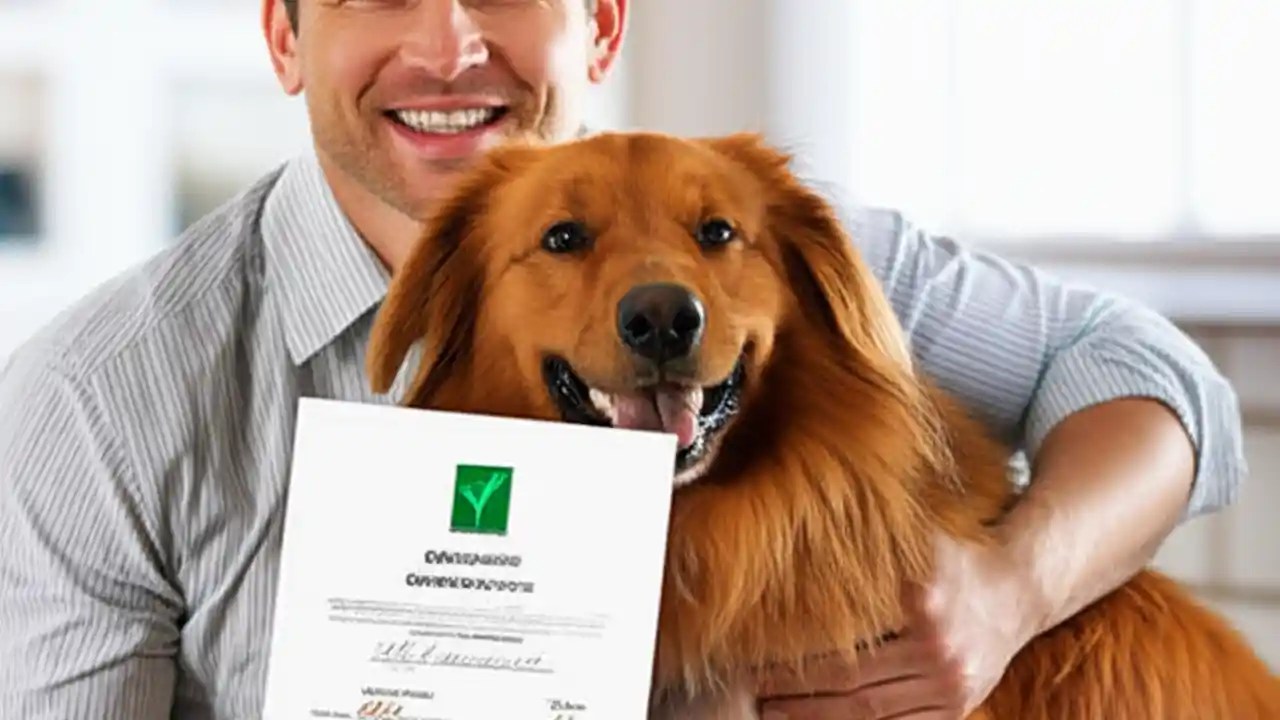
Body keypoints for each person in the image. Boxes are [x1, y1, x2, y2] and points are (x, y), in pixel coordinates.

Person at [0, 1, 1245, 718]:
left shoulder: (775, 252)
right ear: (284, 38)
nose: (447, 46)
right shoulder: (97, 406)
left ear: (595, 25)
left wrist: (1010, 587)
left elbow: (1153, 378)